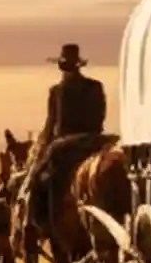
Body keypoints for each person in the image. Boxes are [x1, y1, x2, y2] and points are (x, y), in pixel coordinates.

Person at [24, 44, 110, 234]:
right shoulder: (95, 87)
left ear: (62, 67)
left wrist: (40, 147)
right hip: (96, 139)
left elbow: (51, 124)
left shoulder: (57, 91)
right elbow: (101, 115)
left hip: (65, 144)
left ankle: (41, 224)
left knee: (37, 178)